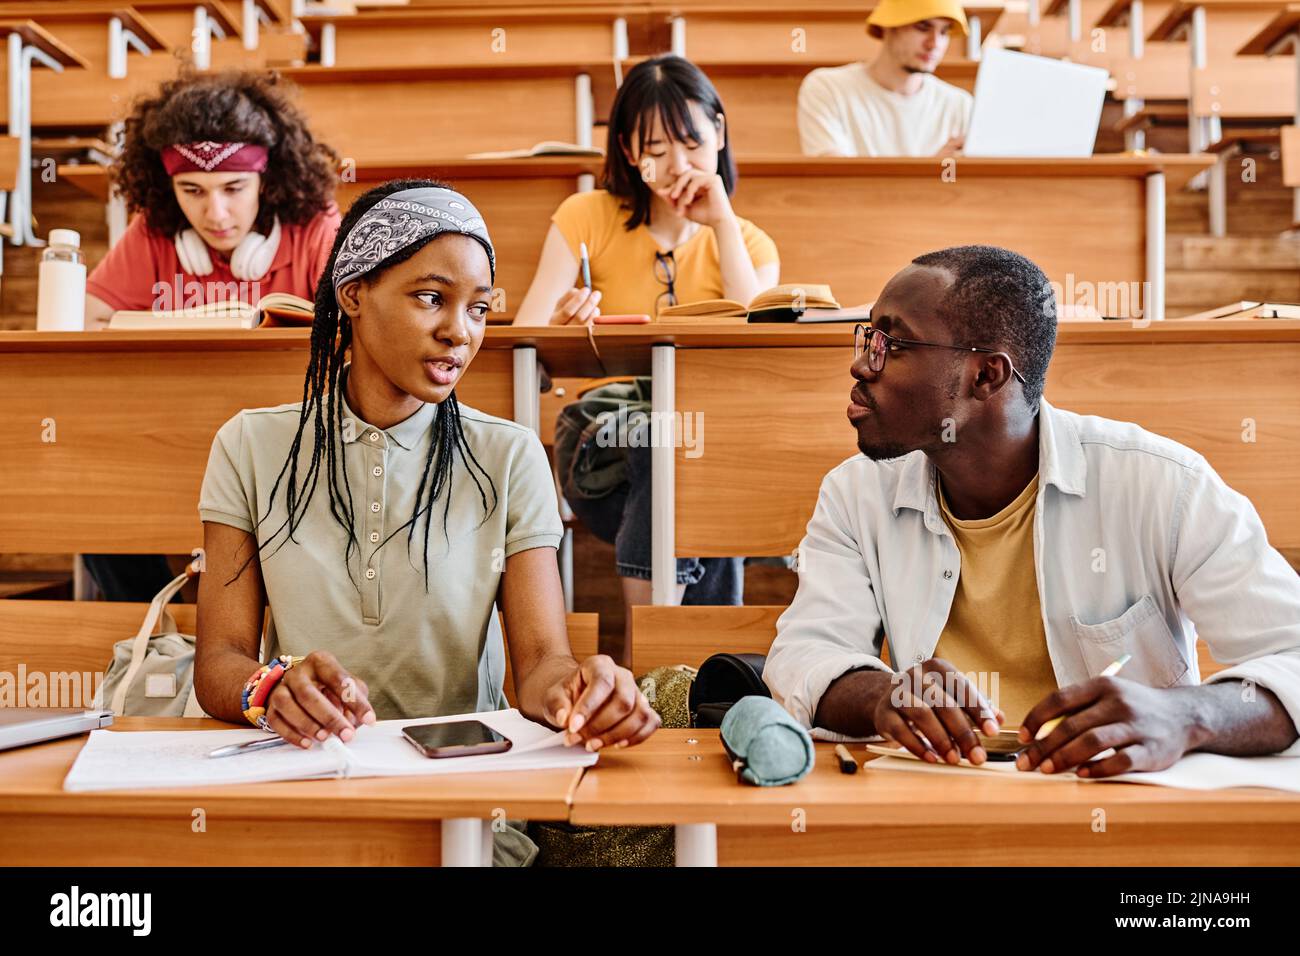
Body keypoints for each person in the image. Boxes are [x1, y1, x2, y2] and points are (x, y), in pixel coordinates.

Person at [194, 181, 660, 864]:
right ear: (352, 293)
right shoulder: (250, 447)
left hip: (459, 802)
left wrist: (577, 692)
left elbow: (539, 665)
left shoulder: (509, 455)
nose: (460, 331)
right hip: (305, 784)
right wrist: (267, 690)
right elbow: (218, 663)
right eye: (430, 298)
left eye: (477, 309)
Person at [765, 245, 1300, 776]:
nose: (862, 363)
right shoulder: (855, 494)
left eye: (894, 343)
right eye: (867, 337)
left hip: (1119, 808)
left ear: (988, 376)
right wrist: (886, 694)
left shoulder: (1163, 484)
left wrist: (1186, 715)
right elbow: (806, 654)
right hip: (939, 801)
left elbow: (1293, 656)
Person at [514, 55, 780, 632]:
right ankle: (660, 649)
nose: (677, 164)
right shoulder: (585, 216)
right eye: (655, 149)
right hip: (597, 446)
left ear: (720, 133)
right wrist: (564, 323)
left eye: (690, 142)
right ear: (630, 155)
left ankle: (683, 675)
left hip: (707, 449)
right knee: (667, 438)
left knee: (690, 448)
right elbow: (524, 351)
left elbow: (760, 350)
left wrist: (722, 222)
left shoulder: (749, 243)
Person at [81, 69, 342, 602]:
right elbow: (84, 323)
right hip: (169, 437)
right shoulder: (152, 232)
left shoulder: (315, 228)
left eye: (234, 188)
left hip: (289, 446)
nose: (215, 213)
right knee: (92, 492)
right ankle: (160, 633)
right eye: (192, 191)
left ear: (266, 180)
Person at [798, 0, 972, 157]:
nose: (934, 44)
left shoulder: (961, 105)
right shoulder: (827, 89)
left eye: (944, 31)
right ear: (888, 27)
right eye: (923, 27)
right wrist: (931, 172)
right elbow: (836, 184)